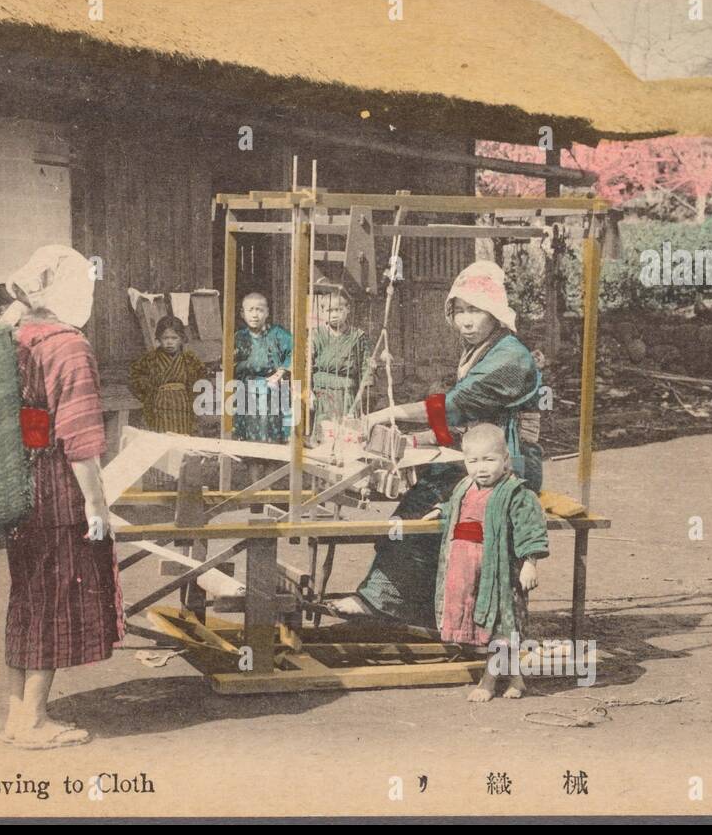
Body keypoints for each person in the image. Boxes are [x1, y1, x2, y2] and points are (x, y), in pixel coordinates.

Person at [332, 261, 544, 625]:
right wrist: (412, 439)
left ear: (494, 312)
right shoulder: (481, 351)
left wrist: (388, 414)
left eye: (474, 310)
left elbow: (455, 408)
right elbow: (465, 422)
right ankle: (416, 605)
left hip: (510, 463)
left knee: (422, 509)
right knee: (420, 497)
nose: (466, 320)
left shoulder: (510, 357)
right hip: (480, 451)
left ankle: (390, 601)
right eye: (459, 311)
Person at [0, 245, 123, 750]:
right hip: (55, 490)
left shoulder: (17, 335)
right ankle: (33, 722)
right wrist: (96, 505)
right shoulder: (67, 344)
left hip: (18, 486)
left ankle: (17, 714)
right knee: (53, 600)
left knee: (28, 598)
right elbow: (79, 436)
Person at [429, 424, 547, 701]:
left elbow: (531, 528)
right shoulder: (465, 487)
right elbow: (460, 509)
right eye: (473, 461)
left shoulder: (516, 492)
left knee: (501, 625)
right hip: (467, 570)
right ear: (465, 461)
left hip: (498, 572)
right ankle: (517, 679)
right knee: (487, 626)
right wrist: (441, 509)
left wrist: (530, 562)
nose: (481, 468)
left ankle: (488, 683)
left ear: (505, 459)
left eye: (489, 460)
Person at [309, 289, 374, 441]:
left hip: (347, 395)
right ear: (323, 311)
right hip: (322, 394)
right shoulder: (316, 335)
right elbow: (307, 365)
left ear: (348, 310)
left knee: (347, 436)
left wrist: (361, 393)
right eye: (330, 310)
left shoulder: (358, 336)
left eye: (339, 309)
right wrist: (309, 392)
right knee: (324, 437)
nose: (334, 314)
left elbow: (365, 365)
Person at [128, 315, 207, 435]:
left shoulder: (189, 359)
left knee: (182, 438)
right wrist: (149, 393)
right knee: (161, 438)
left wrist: (194, 397)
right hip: (158, 405)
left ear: (181, 338)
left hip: (183, 405)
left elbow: (202, 379)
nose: (169, 342)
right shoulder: (151, 358)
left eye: (174, 338)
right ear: (158, 339)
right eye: (165, 338)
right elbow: (134, 377)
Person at [232, 292, 293, 444]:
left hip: (273, 389)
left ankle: (271, 466)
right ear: (242, 313)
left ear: (267, 312)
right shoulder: (239, 337)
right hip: (247, 391)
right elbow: (229, 364)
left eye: (259, 310)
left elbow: (295, 352)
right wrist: (245, 365)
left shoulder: (278, 333)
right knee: (250, 436)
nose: (254, 315)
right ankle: (253, 465)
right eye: (250, 310)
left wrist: (281, 372)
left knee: (272, 435)